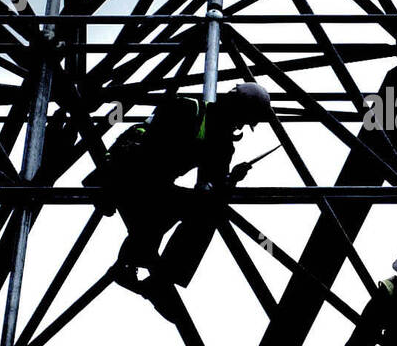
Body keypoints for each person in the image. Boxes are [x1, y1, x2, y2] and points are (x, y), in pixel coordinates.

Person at [91, 83, 273, 316]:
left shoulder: (221, 143)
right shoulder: (187, 109)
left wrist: (231, 179)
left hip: (152, 188)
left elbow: (213, 189)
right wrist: (108, 186)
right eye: (243, 119)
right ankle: (136, 264)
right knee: (180, 206)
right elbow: (139, 146)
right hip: (127, 176)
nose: (239, 126)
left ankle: (146, 271)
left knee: (205, 209)